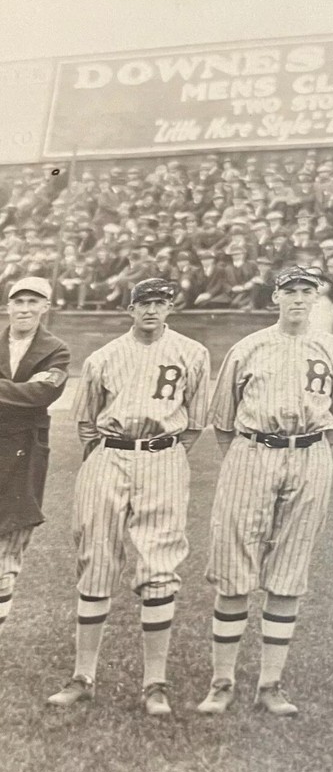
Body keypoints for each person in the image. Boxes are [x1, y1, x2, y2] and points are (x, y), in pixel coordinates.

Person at [197, 266, 333, 717]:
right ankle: (221, 682)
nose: (298, 299)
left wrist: (302, 451)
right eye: (290, 291)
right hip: (251, 453)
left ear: (317, 300)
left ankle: (271, 684)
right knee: (233, 566)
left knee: (289, 568)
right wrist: (250, 455)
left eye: (308, 292)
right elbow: (223, 421)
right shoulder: (247, 347)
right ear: (276, 298)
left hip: (309, 455)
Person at [48, 278, 210, 716]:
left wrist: (160, 452)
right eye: (144, 303)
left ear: (171, 307)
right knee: (96, 558)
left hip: (163, 455)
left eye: (160, 303)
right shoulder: (104, 356)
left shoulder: (192, 353)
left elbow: (195, 422)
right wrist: (110, 454)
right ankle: (83, 676)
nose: (152, 311)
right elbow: (84, 422)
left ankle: (154, 682)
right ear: (130, 309)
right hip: (109, 455)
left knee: (159, 562)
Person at [0, 277, 70, 636]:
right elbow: (27, 394)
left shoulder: (56, 350)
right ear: (8, 306)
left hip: (24, 453)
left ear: (46, 307)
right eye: (18, 301)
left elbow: (42, 394)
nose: (24, 308)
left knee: (8, 545)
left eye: (33, 301)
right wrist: (21, 392)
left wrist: (26, 393)